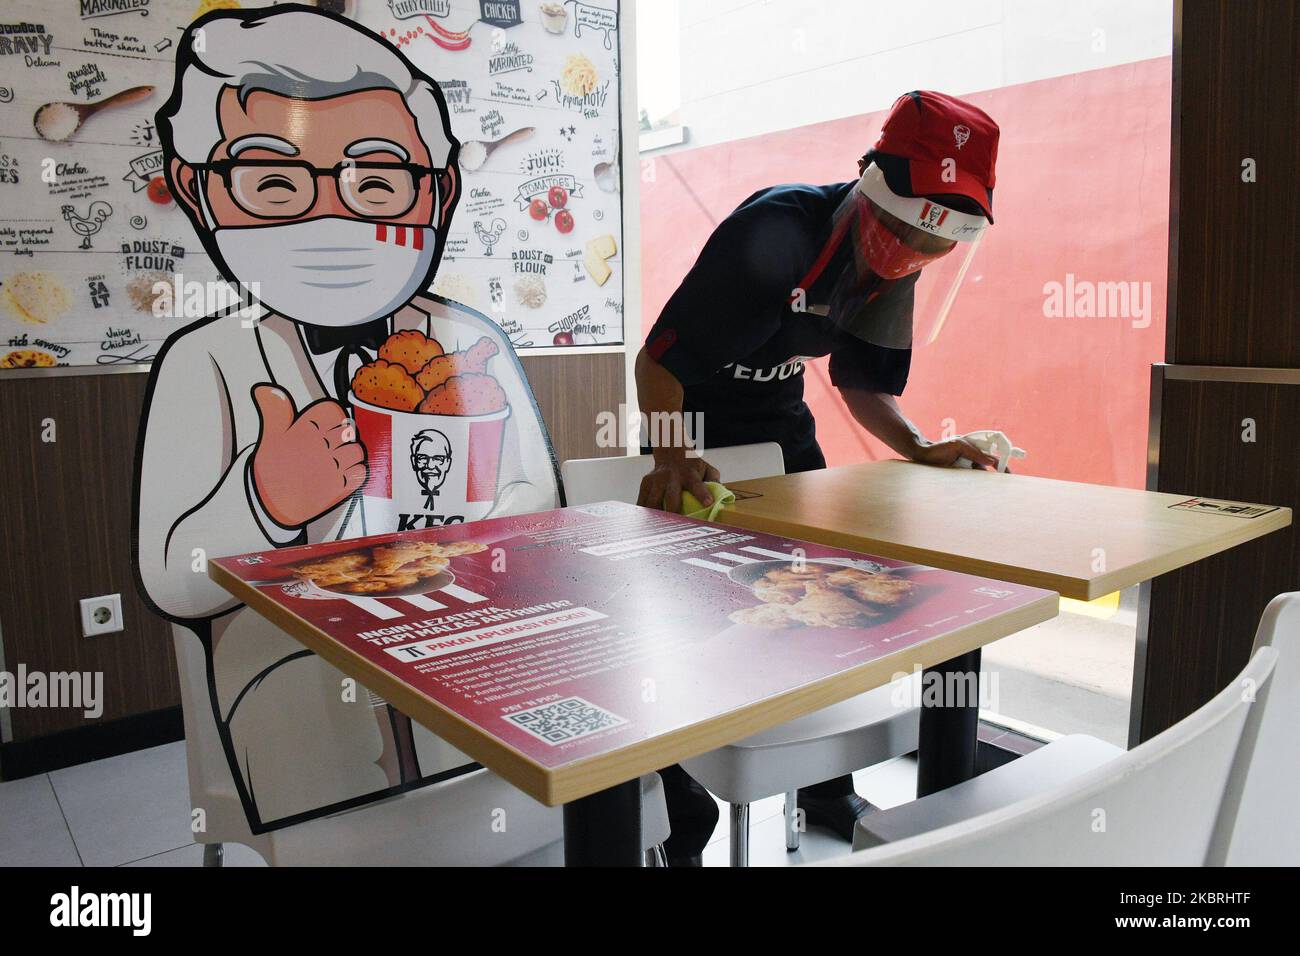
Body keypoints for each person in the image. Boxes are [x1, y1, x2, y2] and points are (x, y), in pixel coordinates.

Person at [134, 7, 559, 832]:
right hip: (285, 652)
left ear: (435, 190)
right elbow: (169, 579)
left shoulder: (469, 345)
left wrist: (466, 552)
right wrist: (263, 502)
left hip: (463, 630)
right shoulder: (209, 362)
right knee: (338, 782)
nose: (332, 217)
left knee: (527, 763)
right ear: (197, 187)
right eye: (275, 182)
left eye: (376, 181)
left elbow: (537, 501)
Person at [635, 90, 1002, 864]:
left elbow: (863, 382)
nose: (907, 250)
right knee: (688, 625)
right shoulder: (774, 229)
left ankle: (827, 792)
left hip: (779, 426)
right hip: (693, 428)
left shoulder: (895, 264)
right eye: (899, 227)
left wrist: (919, 447)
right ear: (869, 180)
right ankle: (680, 805)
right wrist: (671, 456)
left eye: (933, 243)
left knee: (819, 603)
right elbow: (659, 361)